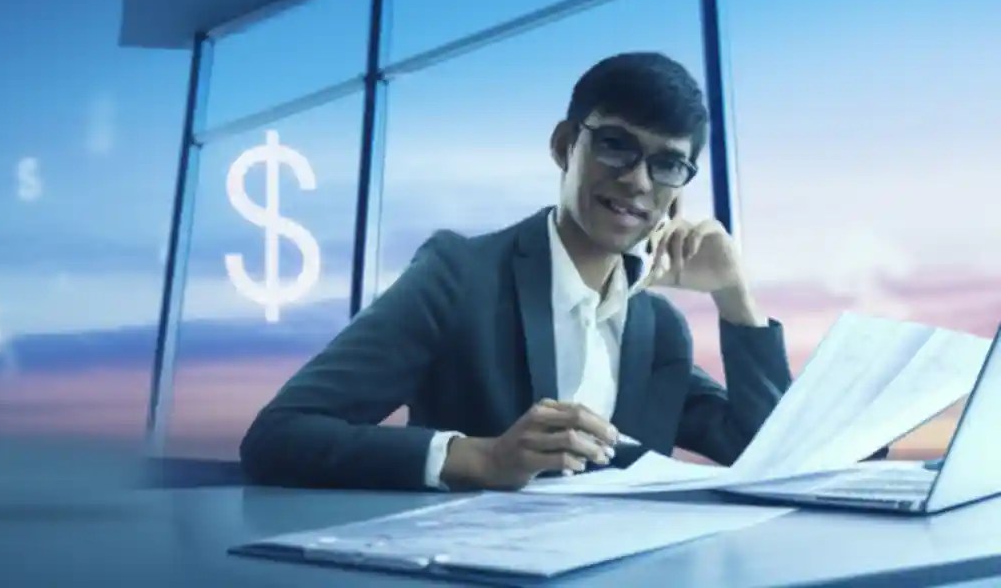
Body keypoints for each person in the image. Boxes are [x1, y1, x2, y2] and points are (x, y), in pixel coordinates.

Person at [239, 51, 791, 491]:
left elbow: (765, 451)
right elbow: (279, 434)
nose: (639, 181)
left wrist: (735, 298)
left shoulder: (658, 327)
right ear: (563, 145)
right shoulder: (459, 276)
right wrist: (478, 456)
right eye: (616, 145)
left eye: (667, 163)